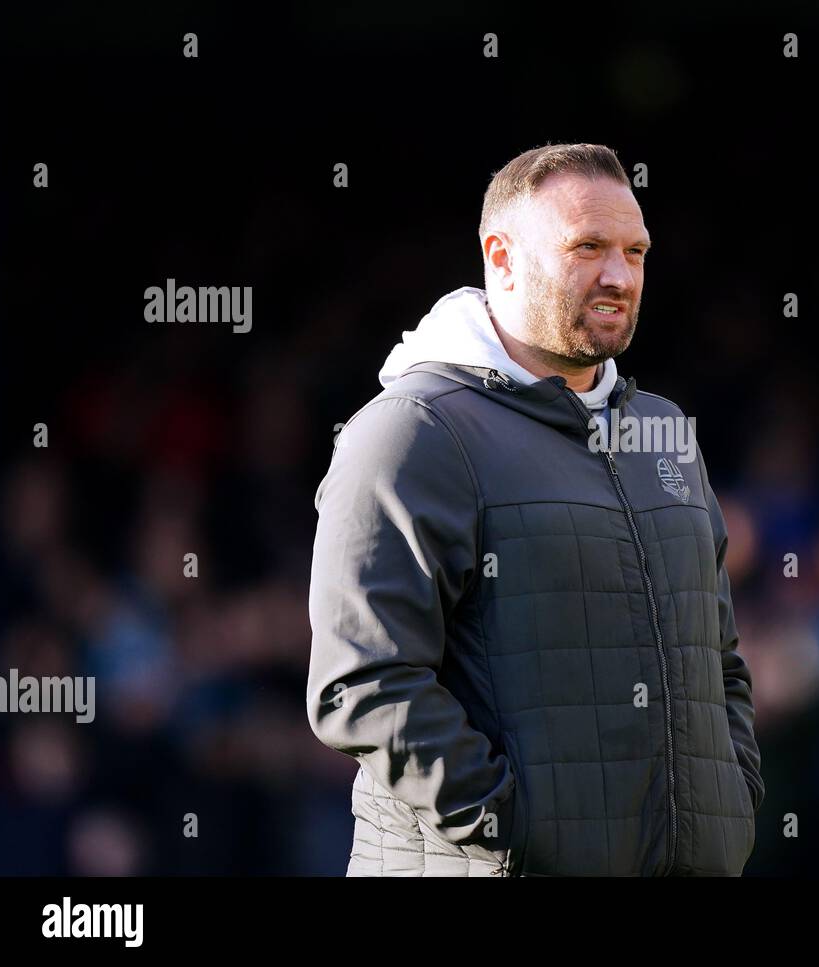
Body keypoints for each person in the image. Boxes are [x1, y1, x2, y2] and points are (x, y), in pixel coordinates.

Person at [306, 143, 763, 876]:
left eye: (635, 251)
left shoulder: (664, 431)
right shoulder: (412, 432)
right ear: (503, 256)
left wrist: (730, 807)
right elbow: (362, 685)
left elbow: (722, 664)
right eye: (588, 247)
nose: (619, 275)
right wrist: (517, 828)